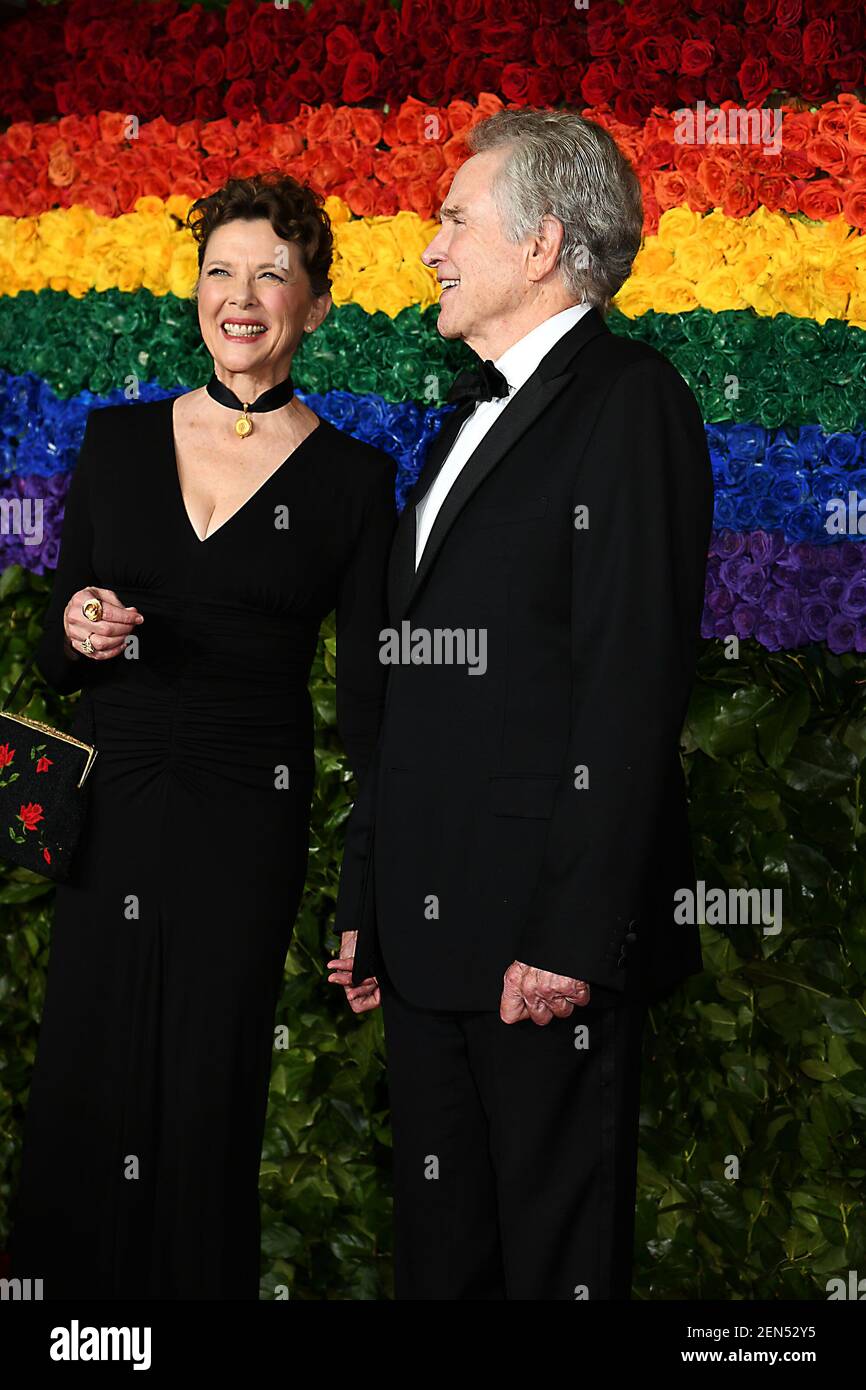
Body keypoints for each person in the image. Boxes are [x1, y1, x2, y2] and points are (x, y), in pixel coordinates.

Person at [329, 110, 713, 1300]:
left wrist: (568, 936)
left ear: (541, 242)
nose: (430, 246)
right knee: (442, 1264)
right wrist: (368, 899)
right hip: (430, 939)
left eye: (452, 216)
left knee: (553, 1267)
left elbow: (628, 684)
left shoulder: (630, 401)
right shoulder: (463, 416)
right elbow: (407, 700)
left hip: (537, 952)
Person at [9, 172, 396, 1299]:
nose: (241, 295)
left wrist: (362, 891)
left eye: (272, 273)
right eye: (221, 270)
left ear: (314, 306)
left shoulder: (355, 483)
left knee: (204, 1096)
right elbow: (54, 645)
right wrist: (76, 625)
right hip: (113, 806)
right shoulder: (118, 441)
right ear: (195, 293)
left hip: (244, 825)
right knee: (84, 1082)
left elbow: (371, 704)